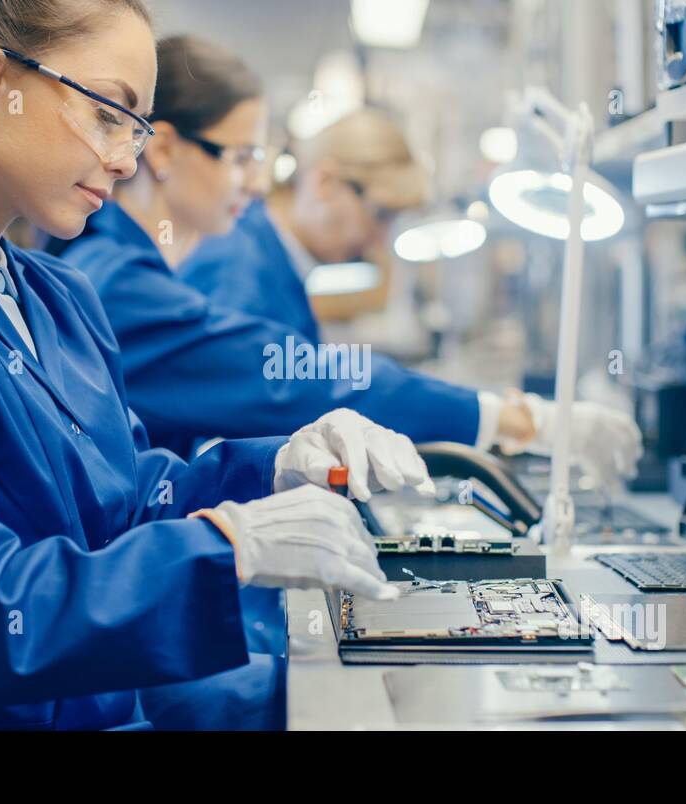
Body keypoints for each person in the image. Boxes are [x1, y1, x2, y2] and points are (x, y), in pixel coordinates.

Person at [0, 0, 430, 731]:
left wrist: (278, 469)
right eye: (108, 114)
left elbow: (129, 501)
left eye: (135, 129)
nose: (128, 159)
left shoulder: (55, 297)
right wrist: (227, 550)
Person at [54, 36, 643, 492]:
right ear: (162, 149)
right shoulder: (117, 281)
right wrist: (516, 420)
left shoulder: (120, 267)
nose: (257, 181)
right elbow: (292, 377)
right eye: (239, 157)